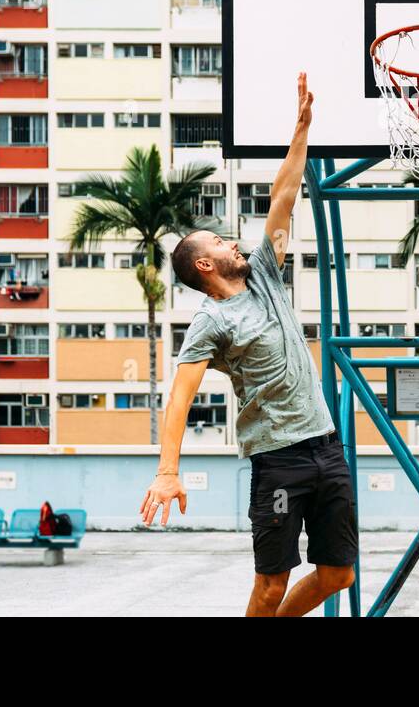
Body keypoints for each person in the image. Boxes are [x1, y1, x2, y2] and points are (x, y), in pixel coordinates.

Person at [141, 74, 357, 617]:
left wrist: (301, 129)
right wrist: (168, 472)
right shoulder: (210, 322)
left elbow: (283, 197)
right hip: (278, 462)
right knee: (271, 586)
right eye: (219, 242)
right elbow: (181, 397)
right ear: (205, 265)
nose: (233, 241)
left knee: (338, 573)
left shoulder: (265, 272)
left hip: (327, 448)